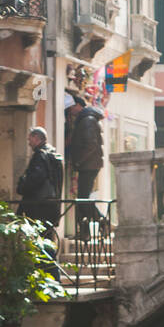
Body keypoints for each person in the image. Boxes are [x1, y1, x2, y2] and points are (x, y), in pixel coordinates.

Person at [16, 127, 64, 231]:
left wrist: (22, 186)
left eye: (30, 139)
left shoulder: (40, 155)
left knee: (38, 235)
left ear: (37, 138)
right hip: (52, 203)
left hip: (37, 205)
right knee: (47, 234)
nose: (29, 143)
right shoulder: (54, 155)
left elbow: (36, 179)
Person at [69, 95, 105, 230]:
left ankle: (99, 221)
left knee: (83, 199)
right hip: (90, 164)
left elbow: (91, 145)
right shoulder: (87, 120)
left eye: (72, 107)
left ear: (78, 105)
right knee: (83, 198)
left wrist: (78, 161)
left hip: (88, 165)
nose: (70, 110)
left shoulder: (87, 121)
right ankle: (89, 227)